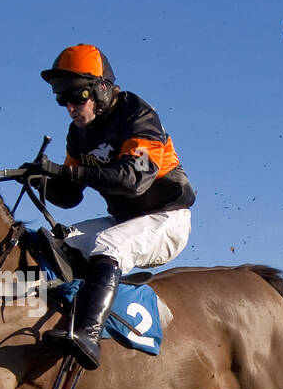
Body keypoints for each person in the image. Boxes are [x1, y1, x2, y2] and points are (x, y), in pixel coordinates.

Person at [22, 44, 195, 370]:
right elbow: (69, 196)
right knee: (59, 242)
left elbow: (134, 179)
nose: (70, 107)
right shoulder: (78, 134)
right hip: (124, 219)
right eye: (62, 99)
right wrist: (38, 177)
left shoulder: (138, 115)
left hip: (167, 219)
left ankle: (87, 335)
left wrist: (64, 171)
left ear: (101, 89)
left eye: (76, 96)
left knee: (108, 244)